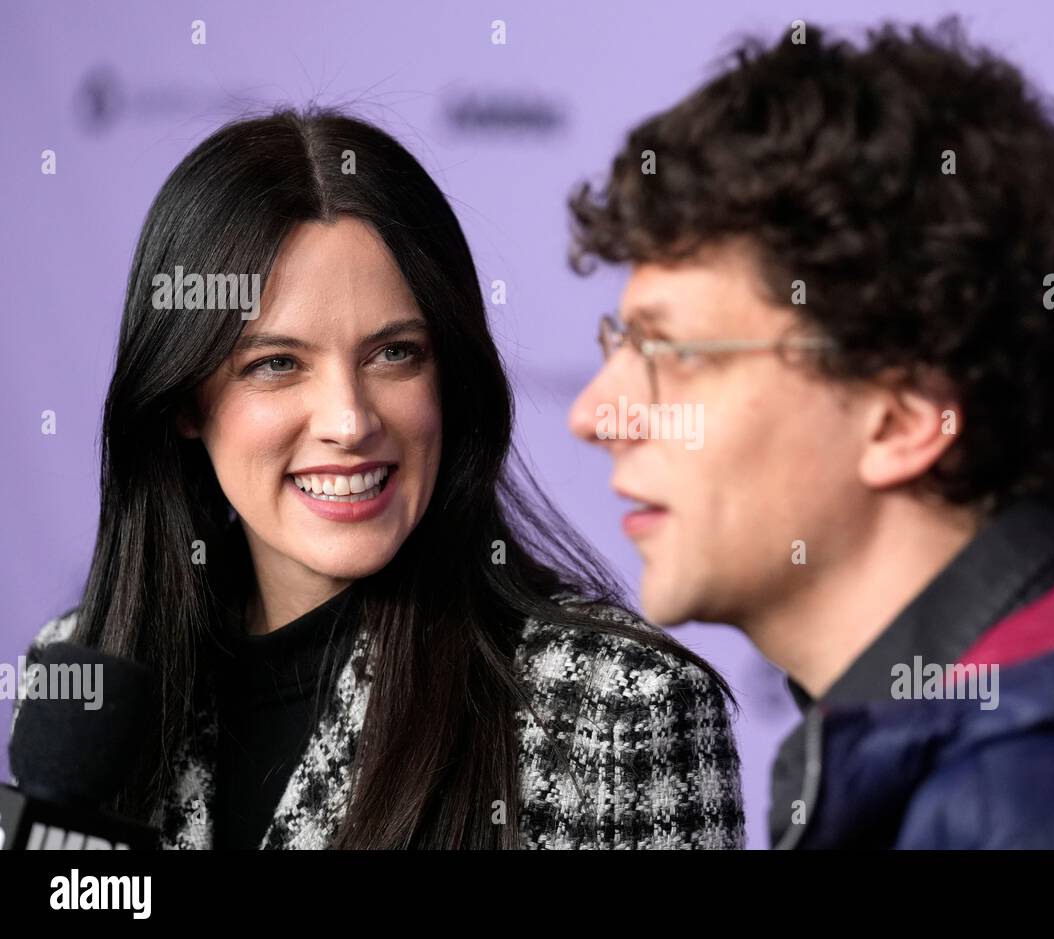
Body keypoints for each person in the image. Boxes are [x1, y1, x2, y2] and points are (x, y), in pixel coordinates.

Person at [566, 20, 1054, 848]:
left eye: (672, 351)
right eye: (619, 346)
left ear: (903, 418)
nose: (593, 414)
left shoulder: (1040, 805)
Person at [13, 109, 744, 850]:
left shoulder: (618, 708)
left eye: (393, 353)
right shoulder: (85, 678)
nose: (349, 419)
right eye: (276, 364)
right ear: (185, 401)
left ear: (450, 375)